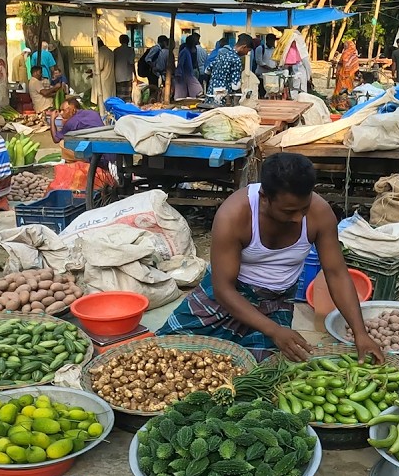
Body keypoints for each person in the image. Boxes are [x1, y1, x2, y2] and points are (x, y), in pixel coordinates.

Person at [156, 153, 383, 362]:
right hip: (226, 299)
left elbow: (336, 274)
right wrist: (274, 331)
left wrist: (359, 333)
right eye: (288, 211)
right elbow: (223, 289)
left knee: (258, 376)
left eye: (303, 208)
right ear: (264, 198)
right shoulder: (235, 215)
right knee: (165, 354)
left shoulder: (319, 214)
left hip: (276, 302)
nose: (297, 218)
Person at [174, 33, 206, 99]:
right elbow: (180, 64)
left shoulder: (189, 51)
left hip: (189, 74)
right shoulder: (185, 51)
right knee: (195, 90)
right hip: (184, 75)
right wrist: (179, 73)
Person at [112, 33, 136, 99]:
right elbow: (131, 63)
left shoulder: (116, 51)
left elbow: (113, 63)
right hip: (127, 77)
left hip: (117, 77)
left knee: (119, 96)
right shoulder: (130, 50)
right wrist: (135, 76)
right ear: (128, 41)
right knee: (127, 97)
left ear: (120, 41)